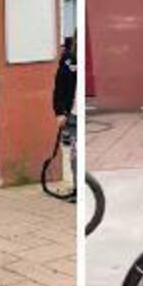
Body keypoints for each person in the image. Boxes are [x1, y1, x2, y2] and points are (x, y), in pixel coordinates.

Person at [53, 36, 78, 191]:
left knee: (76, 154)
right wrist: (59, 112)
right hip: (72, 114)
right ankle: (77, 189)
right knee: (76, 155)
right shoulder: (68, 60)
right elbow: (59, 87)